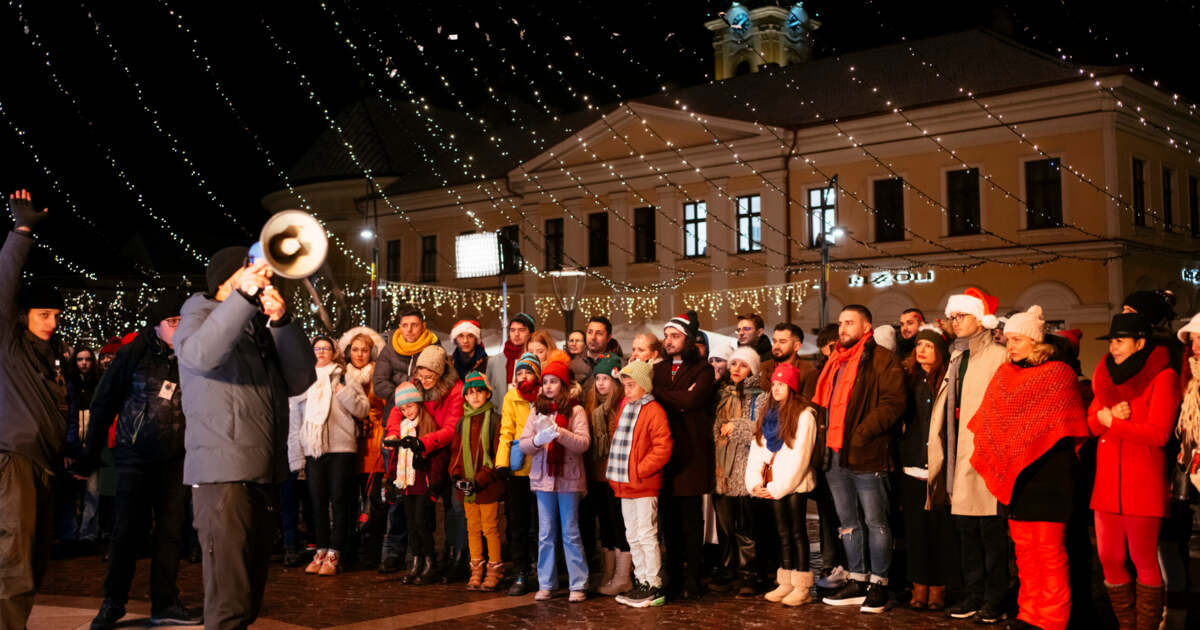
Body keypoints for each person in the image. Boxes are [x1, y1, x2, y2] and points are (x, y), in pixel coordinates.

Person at [175, 247, 316, 629]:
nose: (263, 279)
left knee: (249, 597)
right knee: (229, 601)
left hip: (264, 471)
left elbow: (302, 380)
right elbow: (201, 356)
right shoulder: (197, 316)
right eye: (251, 271)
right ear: (226, 280)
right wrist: (239, 299)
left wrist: (282, 321)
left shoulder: (255, 327)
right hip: (223, 475)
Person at [81, 292, 201, 629]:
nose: (180, 328)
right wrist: (91, 452)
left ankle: (164, 602)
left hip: (176, 458)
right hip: (135, 456)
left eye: (183, 321)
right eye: (172, 322)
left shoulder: (193, 355)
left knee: (170, 534)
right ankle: (112, 603)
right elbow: (104, 400)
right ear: (157, 325)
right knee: (126, 534)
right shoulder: (134, 352)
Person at [969, 306, 1091, 630]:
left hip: (1050, 477)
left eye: (1017, 339)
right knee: (1023, 553)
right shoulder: (1004, 375)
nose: (1010, 346)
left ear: (1035, 341)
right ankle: (1028, 614)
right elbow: (993, 422)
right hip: (1016, 478)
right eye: (1008, 339)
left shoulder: (1058, 374)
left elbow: (1068, 427)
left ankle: (1052, 620)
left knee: (1049, 553)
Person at [0, 189, 69, 630]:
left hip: (42, 464)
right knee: (16, 557)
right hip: (15, 459)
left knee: (34, 558)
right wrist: (21, 232)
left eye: (56, 315)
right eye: (43, 313)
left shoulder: (50, 355)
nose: (51, 321)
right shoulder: (9, 342)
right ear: (24, 315)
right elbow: (5, 282)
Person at [1086, 312, 1180, 630]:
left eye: (1120, 341)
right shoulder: (1104, 378)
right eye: (1112, 341)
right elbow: (1089, 424)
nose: (1114, 348)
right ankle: (1127, 625)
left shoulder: (1162, 378)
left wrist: (1116, 424)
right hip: (1106, 487)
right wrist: (1105, 417)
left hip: (1143, 484)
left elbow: (1159, 434)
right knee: (1110, 559)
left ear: (1140, 343)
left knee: (1143, 560)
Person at [813, 305, 905, 614]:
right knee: (848, 524)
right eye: (840, 323)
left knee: (876, 521)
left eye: (849, 322)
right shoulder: (834, 362)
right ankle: (857, 578)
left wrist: (861, 433)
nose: (842, 328)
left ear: (867, 326)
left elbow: (893, 404)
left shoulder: (882, 360)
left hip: (867, 453)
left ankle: (879, 584)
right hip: (835, 454)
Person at [927, 288, 1010, 623]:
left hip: (985, 455)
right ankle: (973, 593)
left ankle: (996, 597)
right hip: (958, 454)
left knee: (991, 533)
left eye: (961, 316)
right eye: (953, 317)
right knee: (965, 531)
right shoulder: (957, 355)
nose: (954, 322)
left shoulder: (997, 356)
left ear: (981, 319)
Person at [287, 335, 369, 578]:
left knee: (341, 502)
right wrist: (297, 454)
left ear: (334, 352)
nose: (321, 352)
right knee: (317, 504)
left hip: (341, 448)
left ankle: (336, 552)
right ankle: (321, 549)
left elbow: (362, 409)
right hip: (314, 449)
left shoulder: (345, 376)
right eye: (317, 348)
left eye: (326, 348)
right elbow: (295, 420)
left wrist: (343, 393)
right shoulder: (303, 380)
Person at [654, 312, 716, 599]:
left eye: (674, 336)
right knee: (669, 521)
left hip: (692, 452)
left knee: (692, 521)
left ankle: (694, 578)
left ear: (688, 339)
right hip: (665, 453)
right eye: (666, 336)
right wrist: (677, 398)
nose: (668, 341)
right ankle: (674, 576)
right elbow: (657, 393)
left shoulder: (703, 369)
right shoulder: (659, 369)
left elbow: (694, 400)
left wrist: (667, 395)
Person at [747, 363, 818, 607]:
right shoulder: (769, 413)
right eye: (774, 384)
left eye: (782, 384)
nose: (776, 389)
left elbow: (800, 457)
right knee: (782, 533)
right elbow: (758, 450)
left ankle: (802, 585)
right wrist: (756, 482)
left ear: (792, 387)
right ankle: (786, 580)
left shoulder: (804, 415)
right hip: (773, 483)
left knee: (797, 532)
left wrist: (779, 486)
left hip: (794, 485)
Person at [519, 359, 591, 602]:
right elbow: (525, 444)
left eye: (554, 382)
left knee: (570, 532)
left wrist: (559, 433)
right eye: (545, 382)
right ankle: (546, 583)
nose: (549, 386)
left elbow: (583, 443)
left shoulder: (575, 410)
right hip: (543, 480)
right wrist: (541, 438)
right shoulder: (536, 409)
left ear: (563, 384)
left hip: (568, 479)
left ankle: (578, 584)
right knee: (545, 533)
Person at [897, 325, 958, 612]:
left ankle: (939, 587)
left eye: (928, 345)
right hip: (912, 467)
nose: (921, 350)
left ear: (940, 351)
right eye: (919, 344)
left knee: (941, 531)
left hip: (940, 467)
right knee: (916, 532)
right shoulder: (908, 379)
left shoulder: (949, 379)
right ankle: (918, 585)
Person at [374, 306, 439, 573]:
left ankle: (424, 553)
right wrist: (407, 393)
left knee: (422, 497)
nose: (409, 330)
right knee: (398, 494)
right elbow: (379, 383)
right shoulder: (389, 350)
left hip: (423, 427)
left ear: (422, 325)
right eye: (405, 325)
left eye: (414, 324)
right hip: (397, 424)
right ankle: (395, 551)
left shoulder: (433, 347)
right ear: (399, 327)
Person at [608, 360, 673, 608]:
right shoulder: (628, 409)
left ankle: (654, 584)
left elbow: (662, 446)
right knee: (632, 535)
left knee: (646, 534)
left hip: (643, 484)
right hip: (625, 484)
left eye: (632, 385)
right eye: (625, 385)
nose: (627, 390)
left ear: (644, 386)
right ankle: (641, 580)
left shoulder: (653, 410)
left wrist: (638, 469)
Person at [403, 345, 469, 584]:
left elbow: (452, 428)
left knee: (455, 508)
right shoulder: (415, 386)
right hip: (426, 459)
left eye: (430, 376)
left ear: (441, 373)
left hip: (451, 457)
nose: (424, 380)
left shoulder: (455, 390)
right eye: (421, 375)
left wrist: (424, 442)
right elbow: (400, 410)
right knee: (421, 512)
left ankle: (458, 558)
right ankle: (428, 558)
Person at [711, 346, 766, 596]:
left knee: (746, 525)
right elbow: (715, 427)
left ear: (752, 370)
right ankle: (727, 568)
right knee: (724, 525)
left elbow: (762, 428)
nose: (736, 369)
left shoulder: (760, 396)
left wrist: (736, 425)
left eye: (743, 365)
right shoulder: (723, 394)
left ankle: (749, 573)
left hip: (745, 464)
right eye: (734, 364)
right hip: (723, 467)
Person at [335, 326, 388, 571]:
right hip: (347, 442)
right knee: (348, 501)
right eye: (355, 349)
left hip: (373, 443)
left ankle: (372, 551)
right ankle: (349, 548)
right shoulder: (341, 375)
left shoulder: (378, 375)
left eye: (364, 350)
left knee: (374, 500)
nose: (359, 354)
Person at [384, 382, 446, 585]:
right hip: (407, 483)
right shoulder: (402, 428)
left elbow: (437, 458)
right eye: (402, 408)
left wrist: (434, 486)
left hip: (423, 482)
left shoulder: (426, 425)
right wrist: (391, 481)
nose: (407, 411)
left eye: (410, 406)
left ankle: (431, 563)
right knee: (411, 524)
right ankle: (417, 561)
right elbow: (395, 458)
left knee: (422, 523)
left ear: (418, 403)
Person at [449, 371, 506, 591]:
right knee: (472, 528)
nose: (474, 397)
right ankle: (476, 568)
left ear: (487, 393)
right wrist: (455, 475)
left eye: (479, 391)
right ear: (464, 396)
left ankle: (495, 567)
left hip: (488, 487)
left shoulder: (494, 419)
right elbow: (456, 453)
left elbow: (496, 455)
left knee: (490, 528)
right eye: (470, 393)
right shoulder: (462, 421)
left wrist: (480, 479)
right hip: (467, 488)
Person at [581, 354, 631, 596]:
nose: (600, 383)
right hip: (597, 476)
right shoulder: (592, 409)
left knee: (619, 524)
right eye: (597, 378)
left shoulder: (619, 407)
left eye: (605, 378)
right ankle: (609, 572)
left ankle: (623, 575)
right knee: (606, 526)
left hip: (617, 476)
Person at [496, 353, 541, 595]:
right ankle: (521, 571)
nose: (524, 377)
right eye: (520, 372)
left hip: (543, 468)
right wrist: (502, 462)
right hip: (519, 468)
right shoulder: (511, 397)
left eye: (528, 372)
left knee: (543, 524)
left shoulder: (545, 395)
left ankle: (543, 571)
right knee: (518, 524)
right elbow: (506, 430)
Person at [59, 347, 101, 546]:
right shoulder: (70, 385)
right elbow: (70, 417)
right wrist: (69, 445)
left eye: (87, 360)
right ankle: (70, 533)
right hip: (73, 442)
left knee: (92, 491)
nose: (84, 363)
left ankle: (87, 534)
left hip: (90, 443)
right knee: (69, 492)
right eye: (79, 360)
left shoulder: (97, 383)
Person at [486, 312, 535, 397]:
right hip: (501, 408)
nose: (516, 334)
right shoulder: (494, 362)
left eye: (521, 330)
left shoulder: (536, 359)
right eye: (512, 330)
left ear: (531, 333)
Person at [762, 323, 817, 397]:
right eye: (774, 341)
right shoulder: (763, 367)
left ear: (796, 346)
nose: (776, 346)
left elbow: (808, 404)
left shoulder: (808, 371)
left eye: (782, 342)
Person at [569, 316, 624, 386]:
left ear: (608, 337)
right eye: (590, 332)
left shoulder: (620, 366)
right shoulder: (573, 365)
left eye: (599, 333)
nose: (593, 337)